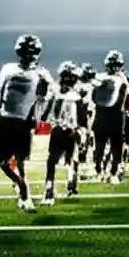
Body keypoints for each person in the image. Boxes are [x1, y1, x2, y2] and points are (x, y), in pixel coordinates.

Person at [0, 34, 53, 213]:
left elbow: (45, 100)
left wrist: (39, 117)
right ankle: (21, 186)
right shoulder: (8, 69)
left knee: (20, 161)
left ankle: (24, 193)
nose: (28, 56)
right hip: (4, 119)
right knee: (2, 162)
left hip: (23, 121)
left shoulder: (42, 75)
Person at [40, 61, 85, 202]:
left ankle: (49, 190)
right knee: (71, 160)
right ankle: (71, 187)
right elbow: (82, 118)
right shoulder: (76, 95)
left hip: (60, 129)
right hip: (70, 130)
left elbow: (46, 111)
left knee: (53, 161)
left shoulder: (56, 91)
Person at [90, 50, 129, 183]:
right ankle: (105, 171)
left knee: (109, 146)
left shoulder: (116, 79)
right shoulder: (118, 79)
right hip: (110, 115)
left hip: (109, 115)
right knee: (105, 146)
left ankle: (108, 171)